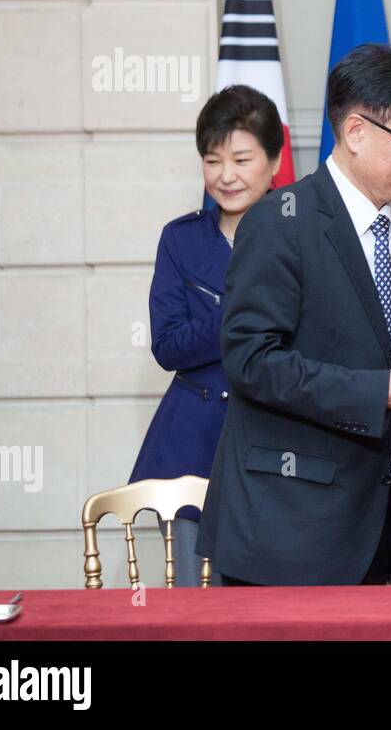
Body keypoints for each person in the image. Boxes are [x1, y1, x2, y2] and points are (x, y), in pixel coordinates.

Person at [196, 44, 391, 586]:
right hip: (288, 530)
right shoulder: (279, 222)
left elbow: (386, 359)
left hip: (382, 525)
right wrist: (378, 390)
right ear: (357, 132)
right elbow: (251, 362)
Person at [129, 84, 284, 587]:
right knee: (200, 607)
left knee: (278, 608)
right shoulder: (181, 238)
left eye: (241, 158)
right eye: (213, 160)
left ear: (275, 159)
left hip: (279, 443)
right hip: (192, 445)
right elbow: (169, 345)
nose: (226, 175)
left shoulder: (303, 234)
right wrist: (240, 313)